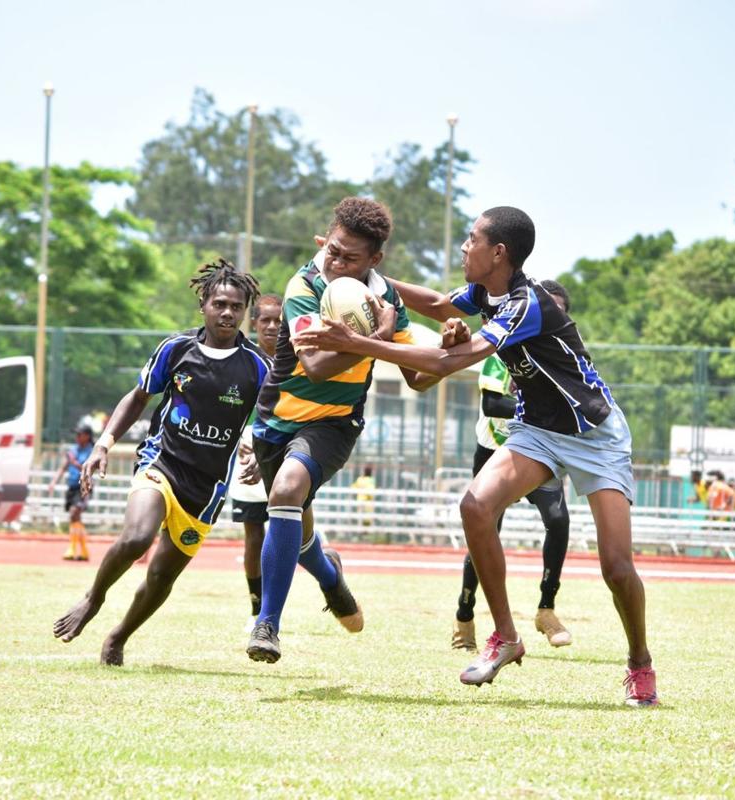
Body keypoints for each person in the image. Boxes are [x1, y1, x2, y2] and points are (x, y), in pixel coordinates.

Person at [295, 206, 659, 706]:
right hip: (537, 430)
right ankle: (506, 637)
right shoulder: (487, 293)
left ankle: (640, 661)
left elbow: (450, 359)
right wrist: (368, 275)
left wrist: (358, 341)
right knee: (476, 507)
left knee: (616, 568)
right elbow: (440, 305)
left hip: (596, 435)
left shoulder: (524, 305)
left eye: (472, 239)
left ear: (498, 253)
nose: (464, 247)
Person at [245, 197, 443, 664]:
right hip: (277, 421)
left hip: (335, 422)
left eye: (350, 257)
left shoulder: (386, 299)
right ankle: (331, 576)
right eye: (333, 250)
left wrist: (445, 357)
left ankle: (266, 624)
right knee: (299, 533)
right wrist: (377, 339)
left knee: (288, 493)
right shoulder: (304, 286)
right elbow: (314, 365)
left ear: (375, 260)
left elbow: (417, 378)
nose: (336, 262)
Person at [52, 260, 269, 665]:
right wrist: (103, 443)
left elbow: (273, 420)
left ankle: (118, 637)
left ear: (245, 312)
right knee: (137, 538)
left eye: (236, 306)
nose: (227, 312)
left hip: (207, 487)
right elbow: (138, 397)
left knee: (162, 576)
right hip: (161, 462)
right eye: (219, 303)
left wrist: (260, 450)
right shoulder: (175, 349)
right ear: (203, 304)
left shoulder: (257, 366)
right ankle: (93, 597)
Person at [383, 272, 576, 653]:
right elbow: (490, 403)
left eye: (557, 315)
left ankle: (546, 609)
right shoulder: (501, 349)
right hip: (495, 450)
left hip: (540, 448)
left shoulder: (559, 358)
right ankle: (465, 613)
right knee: (483, 534)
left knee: (558, 520)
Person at [228, 294, 283, 628]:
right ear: (255, 323)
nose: (273, 326)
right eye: (266, 320)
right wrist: (238, 443)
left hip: (289, 445)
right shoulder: (243, 359)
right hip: (249, 446)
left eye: (279, 320)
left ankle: (326, 574)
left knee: (291, 531)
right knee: (254, 533)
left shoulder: (298, 357)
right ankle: (257, 609)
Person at [49, 423, 95, 561]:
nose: (77, 437)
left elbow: (89, 470)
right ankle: (84, 551)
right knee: (75, 518)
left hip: (84, 487)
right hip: (72, 487)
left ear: (87, 436)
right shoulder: (73, 449)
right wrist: (53, 482)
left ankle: (72, 549)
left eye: (79, 434)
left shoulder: (91, 451)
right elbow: (63, 467)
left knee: (74, 512)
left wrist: (74, 462)